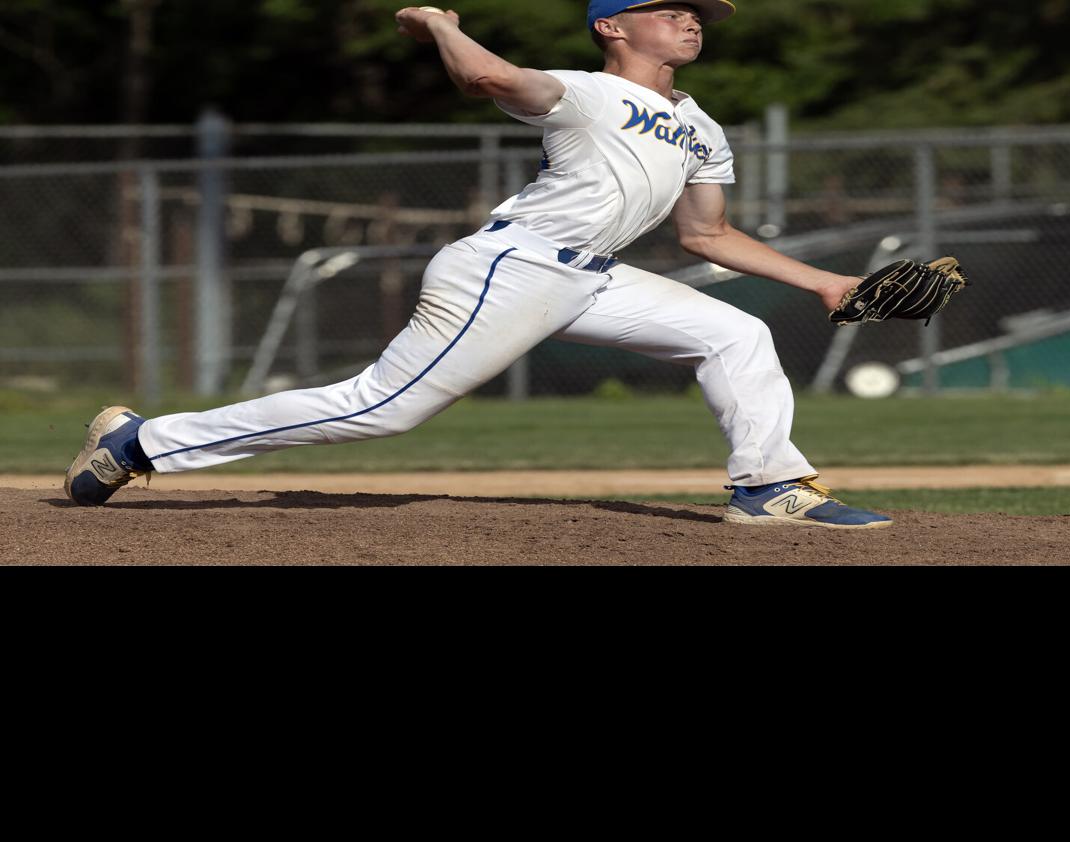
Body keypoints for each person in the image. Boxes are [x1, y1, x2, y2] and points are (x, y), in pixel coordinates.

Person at [65, 1, 893, 529]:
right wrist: (439, 24)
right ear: (612, 26)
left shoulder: (703, 127)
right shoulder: (586, 92)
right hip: (513, 266)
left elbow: (706, 236)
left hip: (591, 276)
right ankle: (143, 443)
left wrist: (825, 282)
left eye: (698, 14)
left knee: (734, 332)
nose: (692, 20)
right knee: (382, 408)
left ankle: (766, 485)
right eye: (670, 10)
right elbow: (488, 77)